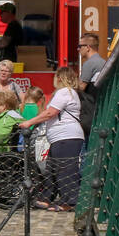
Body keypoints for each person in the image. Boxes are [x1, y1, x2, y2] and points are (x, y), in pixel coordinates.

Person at [20, 66, 83, 211]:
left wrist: (29, 122)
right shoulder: (69, 93)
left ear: (59, 78)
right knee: (51, 169)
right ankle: (46, 198)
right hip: (61, 138)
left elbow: (50, 113)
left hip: (66, 137)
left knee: (65, 170)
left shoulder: (64, 92)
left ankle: (70, 202)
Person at [77, 33, 105, 136]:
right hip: (100, 109)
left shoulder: (90, 64)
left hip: (89, 112)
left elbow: (81, 87)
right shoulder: (102, 62)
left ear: (88, 47)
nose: (78, 49)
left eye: (80, 46)